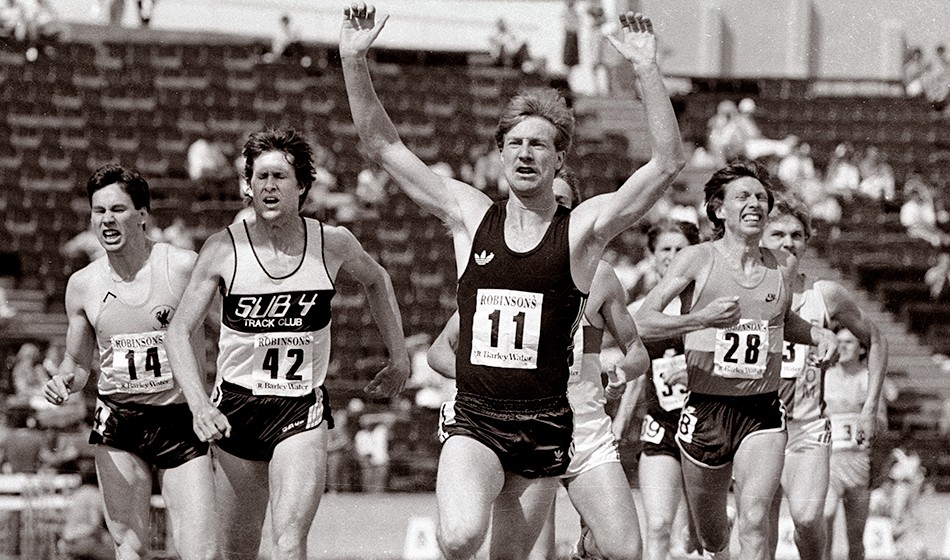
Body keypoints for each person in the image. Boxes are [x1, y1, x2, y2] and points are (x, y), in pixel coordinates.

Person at [341, 4, 684, 557]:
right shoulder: (469, 214)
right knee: (458, 536)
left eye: (540, 144)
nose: (526, 153)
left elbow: (666, 164)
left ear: (559, 159)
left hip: (547, 423)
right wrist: (353, 60)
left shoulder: (581, 233)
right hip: (478, 415)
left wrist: (647, 71)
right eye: (516, 143)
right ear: (499, 152)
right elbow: (384, 146)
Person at [164, 128, 411, 560]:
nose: (269, 186)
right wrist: (200, 404)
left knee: (289, 541)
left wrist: (399, 356)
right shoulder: (223, 249)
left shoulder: (332, 243)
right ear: (247, 186)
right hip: (236, 409)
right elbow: (179, 331)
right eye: (260, 177)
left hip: (300, 408)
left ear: (302, 186)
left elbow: (377, 280)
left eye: (280, 176)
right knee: (235, 551)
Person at [427, 169, 650, 559]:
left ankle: (585, 547)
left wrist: (622, 370)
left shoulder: (600, 277)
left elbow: (637, 351)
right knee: (530, 553)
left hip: (582, 424)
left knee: (625, 551)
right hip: (519, 420)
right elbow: (439, 351)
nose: (554, 212)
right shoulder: (505, 274)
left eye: (564, 204)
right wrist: (491, 376)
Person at [634, 161, 838, 560]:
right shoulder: (696, 260)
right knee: (712, 537)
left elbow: (785, 320)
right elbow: (643, 321)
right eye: (742, 196)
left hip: (761, 410)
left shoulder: (778, 265)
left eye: (761, 197)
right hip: (706, 409)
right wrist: (698, 319)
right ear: (718, 209)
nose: (754, 203)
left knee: (754, 519)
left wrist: (819, 334)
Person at [41, 164, 217, 560]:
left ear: (142, 215)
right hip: (120, 421)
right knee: (130, 547)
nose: (107, 220)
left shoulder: (183, 267)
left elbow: (231, 332)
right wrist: (63, 380)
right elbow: (77, 362)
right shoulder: (83, 285)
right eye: (98, 211)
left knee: (201, 551)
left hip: (180, 419)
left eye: (117, 210)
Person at [761, 194, 888, 560]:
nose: (788, 242)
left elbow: (876, 338)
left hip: (806, 426)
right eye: (778, 234)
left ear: (807, 241)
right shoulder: (743, 291)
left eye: (797, 235)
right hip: (757, 422)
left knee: (806, 521)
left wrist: (869, 408)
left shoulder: (825, 296)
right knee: (757, 525)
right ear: (761, 238)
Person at [627, 219, 703, 560]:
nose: (672, 256)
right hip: (660, 425)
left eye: (680, 249)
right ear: (652, 255)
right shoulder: (636, 312)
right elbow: (634, 374)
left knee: (699, 535)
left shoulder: (710, 307)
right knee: (657, 525)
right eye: (665, 250)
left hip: (706, 425)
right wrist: (618, 425)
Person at [822, 327, 887, 560]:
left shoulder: (869, 379)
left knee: (856, 538)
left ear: (861, 348)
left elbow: (882, 424)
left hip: (859, 463)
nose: (843, 346)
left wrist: (865, 417)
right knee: (825, 518)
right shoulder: (824, 376)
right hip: (828, 461)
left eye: (849, 342)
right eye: (839, 341)